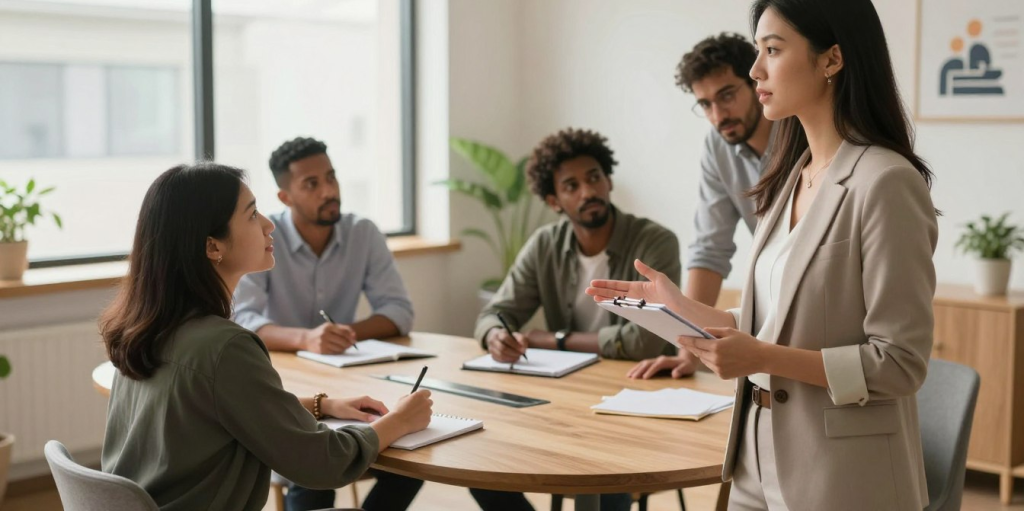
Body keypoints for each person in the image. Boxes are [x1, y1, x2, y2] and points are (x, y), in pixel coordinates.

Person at [589, 0, 937, 510]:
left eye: (772, 50)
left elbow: (899, 364)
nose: (756, 71)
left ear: (832, 60)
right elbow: (775, 326)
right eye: (758, 51)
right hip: (756, 463)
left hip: (841, 478)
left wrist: (761, 356)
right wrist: (683, 311)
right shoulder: (790, 177)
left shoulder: (885, 182)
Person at [99, 163, 433, 511]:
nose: (269, 224)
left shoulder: (146, 328)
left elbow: (223, 410)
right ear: (213, 246)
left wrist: (323, 405)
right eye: (252, 214)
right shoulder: (224, 347)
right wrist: (400, 420)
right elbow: (323, 463)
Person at [472, 127, 681, 511]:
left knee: (605, 472)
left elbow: (644, 342)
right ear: (554, 200)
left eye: (594, 178)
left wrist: (552, 339)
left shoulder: (654, 242)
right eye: (571, 186)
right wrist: (496, 336)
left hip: (637, 398)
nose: (587, 192)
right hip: (565, 398)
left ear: (609, 180)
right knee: (480, 462)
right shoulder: (545, 245)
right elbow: (492, 315)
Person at [232, 137, 422, 511]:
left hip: (350, 382)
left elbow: (399, 310)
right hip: (288, 388)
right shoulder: (265, 239)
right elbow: (242, 319)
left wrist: (348, 334)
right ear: (285, 197)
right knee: (313, 469)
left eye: (331, 178)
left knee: (411, 459)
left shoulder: (362, 233)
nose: (330, 191)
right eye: (312, 184)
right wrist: (307, 338)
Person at [630, 33, 776, 380]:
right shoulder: (718, 146)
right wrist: (687, 354)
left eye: (726, 96)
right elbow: (711, 249)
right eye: (705, 104)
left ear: (756, 82)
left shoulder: (805, 133)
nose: (718, 115)